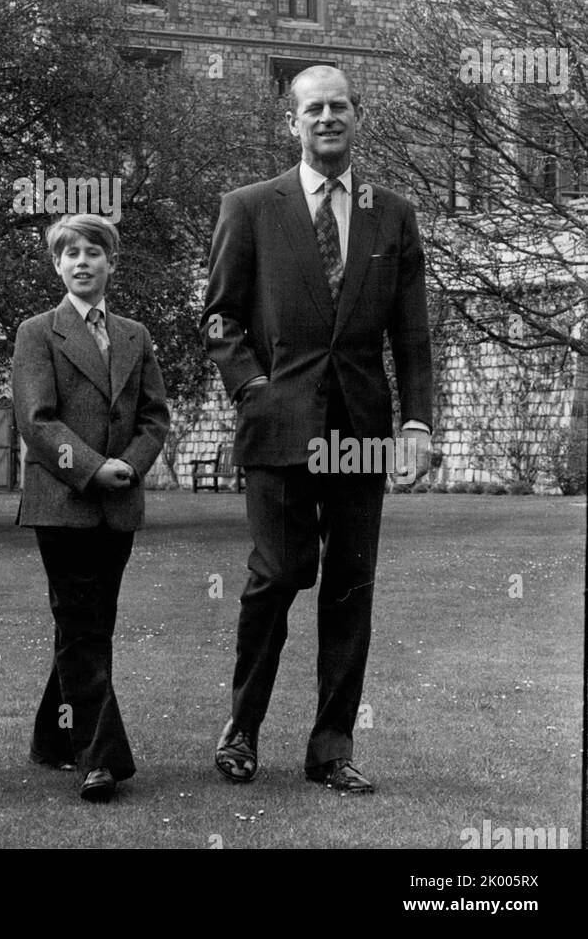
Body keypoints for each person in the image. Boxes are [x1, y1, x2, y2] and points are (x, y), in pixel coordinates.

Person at [200, 66, 432, 794]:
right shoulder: (249, 207)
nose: (326, 118)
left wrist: (417, 422)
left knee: (349, 587)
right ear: (292, 123)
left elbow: (412, 337)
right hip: (279, 429)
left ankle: (331, 748)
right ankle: (242, 728)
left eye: (338, 107)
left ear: (356, 117)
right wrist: (255, 391)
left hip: (362, 429)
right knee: (278, 574)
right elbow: (219, 319)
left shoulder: (392, 213)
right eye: (313, 109)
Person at [12, 214, 170, 803]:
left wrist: (130, 462)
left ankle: (50, 738)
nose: (82, 262)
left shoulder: (135, 333)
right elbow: (36, 419)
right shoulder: (37, 332)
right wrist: (91, 467)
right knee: (82, 621)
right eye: (70, 253)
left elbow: (155, 415)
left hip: (119, 503)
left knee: (88, 622)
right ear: (57, 265)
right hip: (61, 503)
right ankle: (98, 756)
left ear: (111, 263)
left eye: (93, 253)